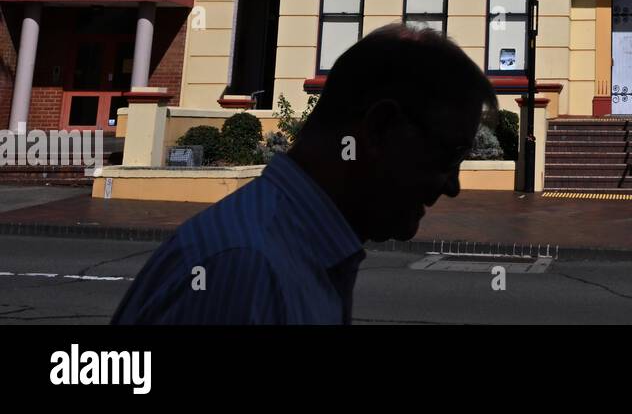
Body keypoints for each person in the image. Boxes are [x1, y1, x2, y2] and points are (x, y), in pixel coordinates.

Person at [112, 25, 496, 324]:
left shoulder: (298, 252)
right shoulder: (246, 272)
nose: (453, 186)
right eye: (449, 153)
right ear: (380, 128)